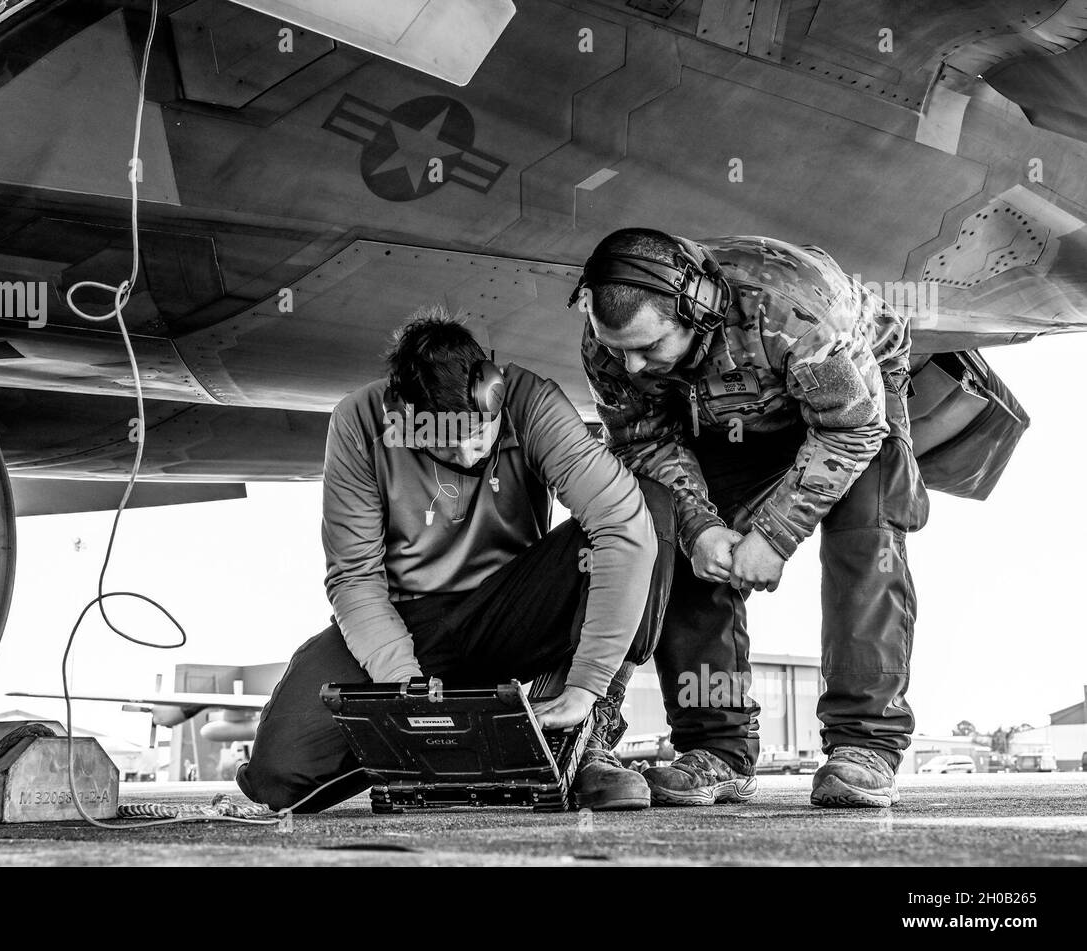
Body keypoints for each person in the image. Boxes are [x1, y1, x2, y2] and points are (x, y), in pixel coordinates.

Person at [237, 308, 676, 812]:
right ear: (403, 417)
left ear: (491, 389)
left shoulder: (529, 401)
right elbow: (355, 578)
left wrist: (586, 685)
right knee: (278, 776)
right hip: (410, 624)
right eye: (447, 445)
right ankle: (450, 755)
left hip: (510, 613)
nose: (469, 458)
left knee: (649, 510)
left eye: (479, 438)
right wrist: (410, 695)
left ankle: (585, 732)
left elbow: (620, 523)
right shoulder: (358, 421)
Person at [574, 228, 929, 808]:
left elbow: (851, 427)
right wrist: (701, 527)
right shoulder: (612, 344)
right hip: (724, 416)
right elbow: (642, 442)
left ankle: (864, 745)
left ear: (697, 310)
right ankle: (718, 750)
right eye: (619, 349)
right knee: (667, 532)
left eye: (648, 347)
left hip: (853, 415)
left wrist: (774, 535)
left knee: (867, 540)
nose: (632, 364)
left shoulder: (796, 311)